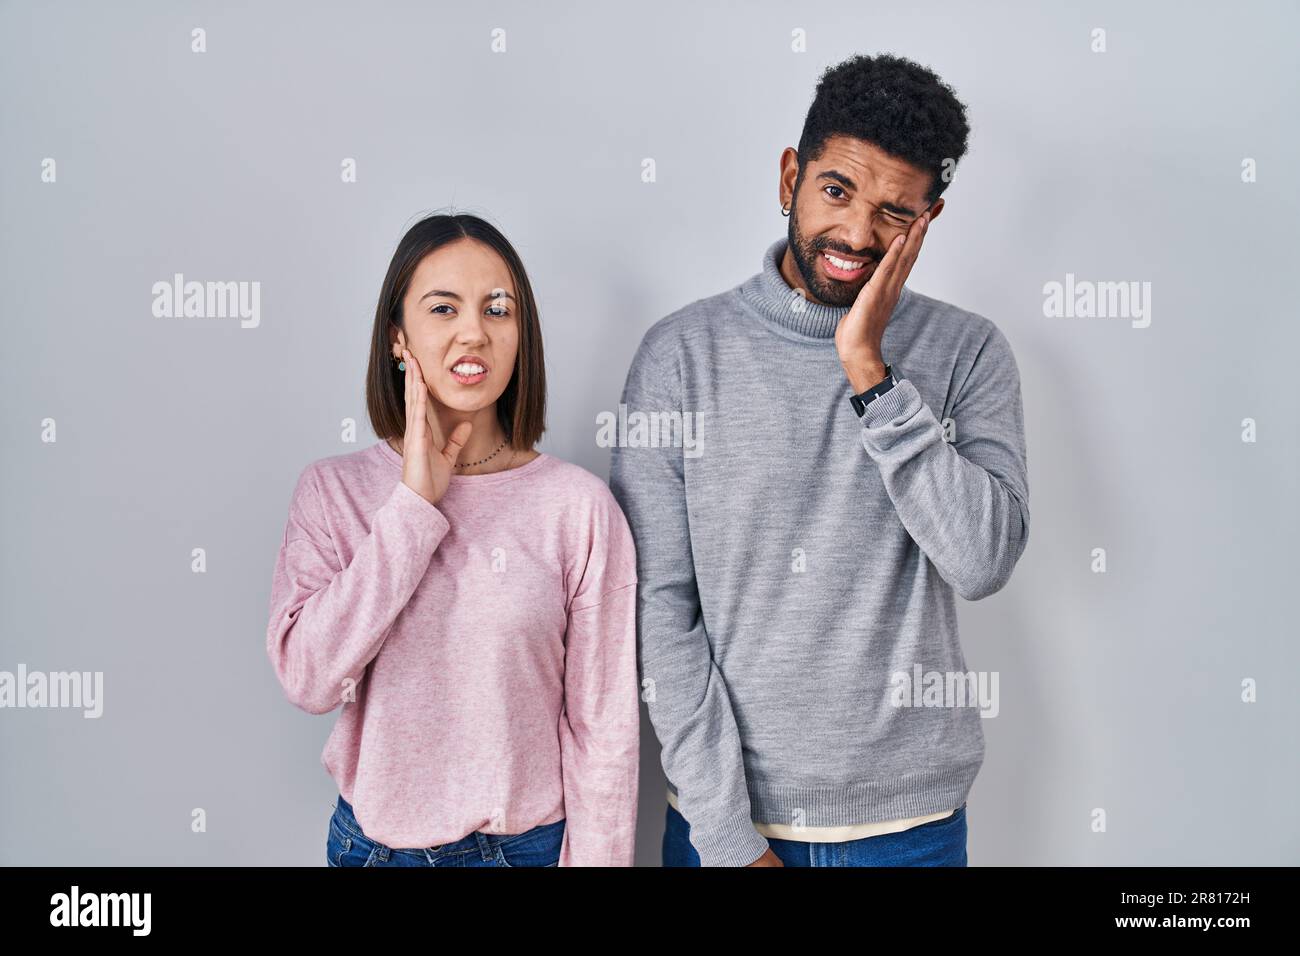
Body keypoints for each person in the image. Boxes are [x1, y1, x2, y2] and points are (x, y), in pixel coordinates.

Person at [609, 53, 1030, 867]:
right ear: (790, 177)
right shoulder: (680, 357)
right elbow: (659, 612)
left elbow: (981, 560)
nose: (856, 235)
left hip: (913, 833)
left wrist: (871, 374)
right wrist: (729, 839)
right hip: (729, 829)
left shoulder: (970, 353)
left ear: (927, 220)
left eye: (894, 214)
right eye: (837, 191)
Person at [266, 213, 639, 867]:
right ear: (397, 338)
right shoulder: (332, 492)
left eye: (499, 310)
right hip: (370, 850)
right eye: (444, 308)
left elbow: (603, 731)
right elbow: (309, 679)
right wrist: (412, 508)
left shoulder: (577, 508)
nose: (475, 331)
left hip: (525, 850)